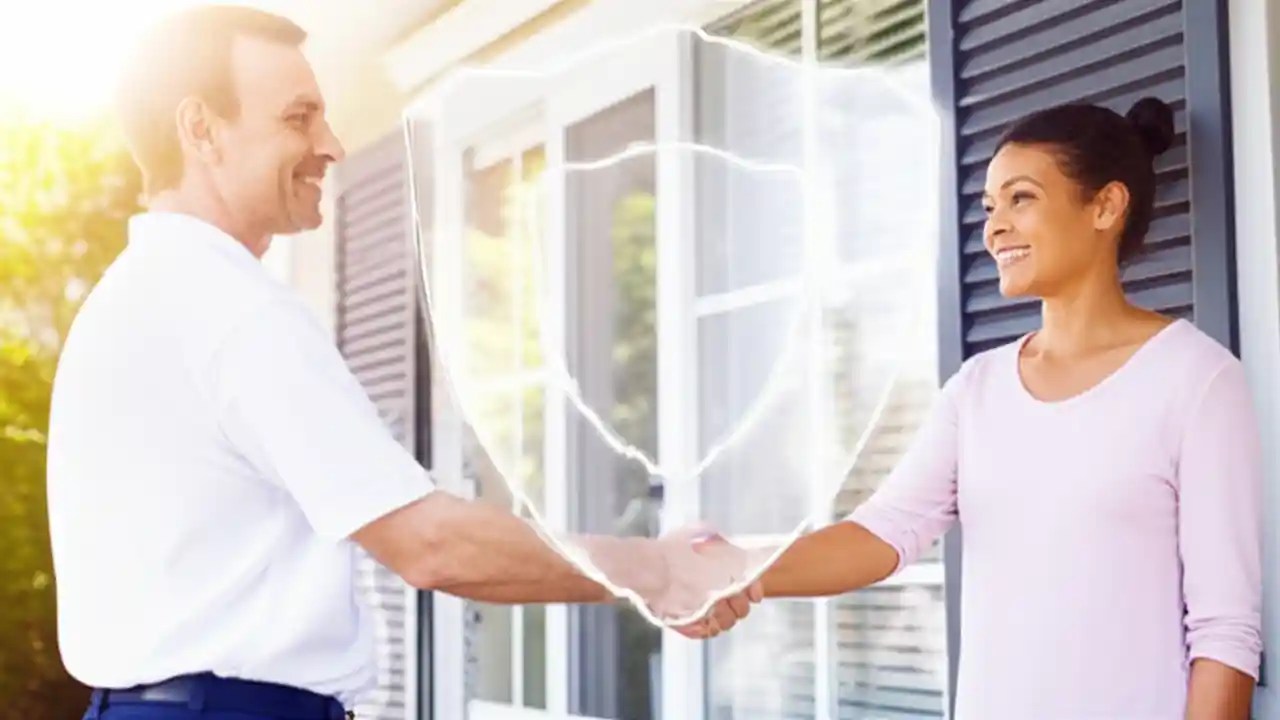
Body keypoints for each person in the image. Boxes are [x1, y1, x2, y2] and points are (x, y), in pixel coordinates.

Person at [45, 6, 758, 720]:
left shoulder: (134, 300)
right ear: (202, 131)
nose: (331, 144)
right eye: (298, 118)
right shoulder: (228, 309)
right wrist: (656, 570)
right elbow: (432, 544)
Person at [720, 97, 1263, 718]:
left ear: (1106, 206)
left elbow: (1225, 632)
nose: (994, 226)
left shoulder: (1195, 378)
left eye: (1021, 198)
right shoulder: (976, 389)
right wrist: (734, 572)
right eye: (989, 207)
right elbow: (878, 535)